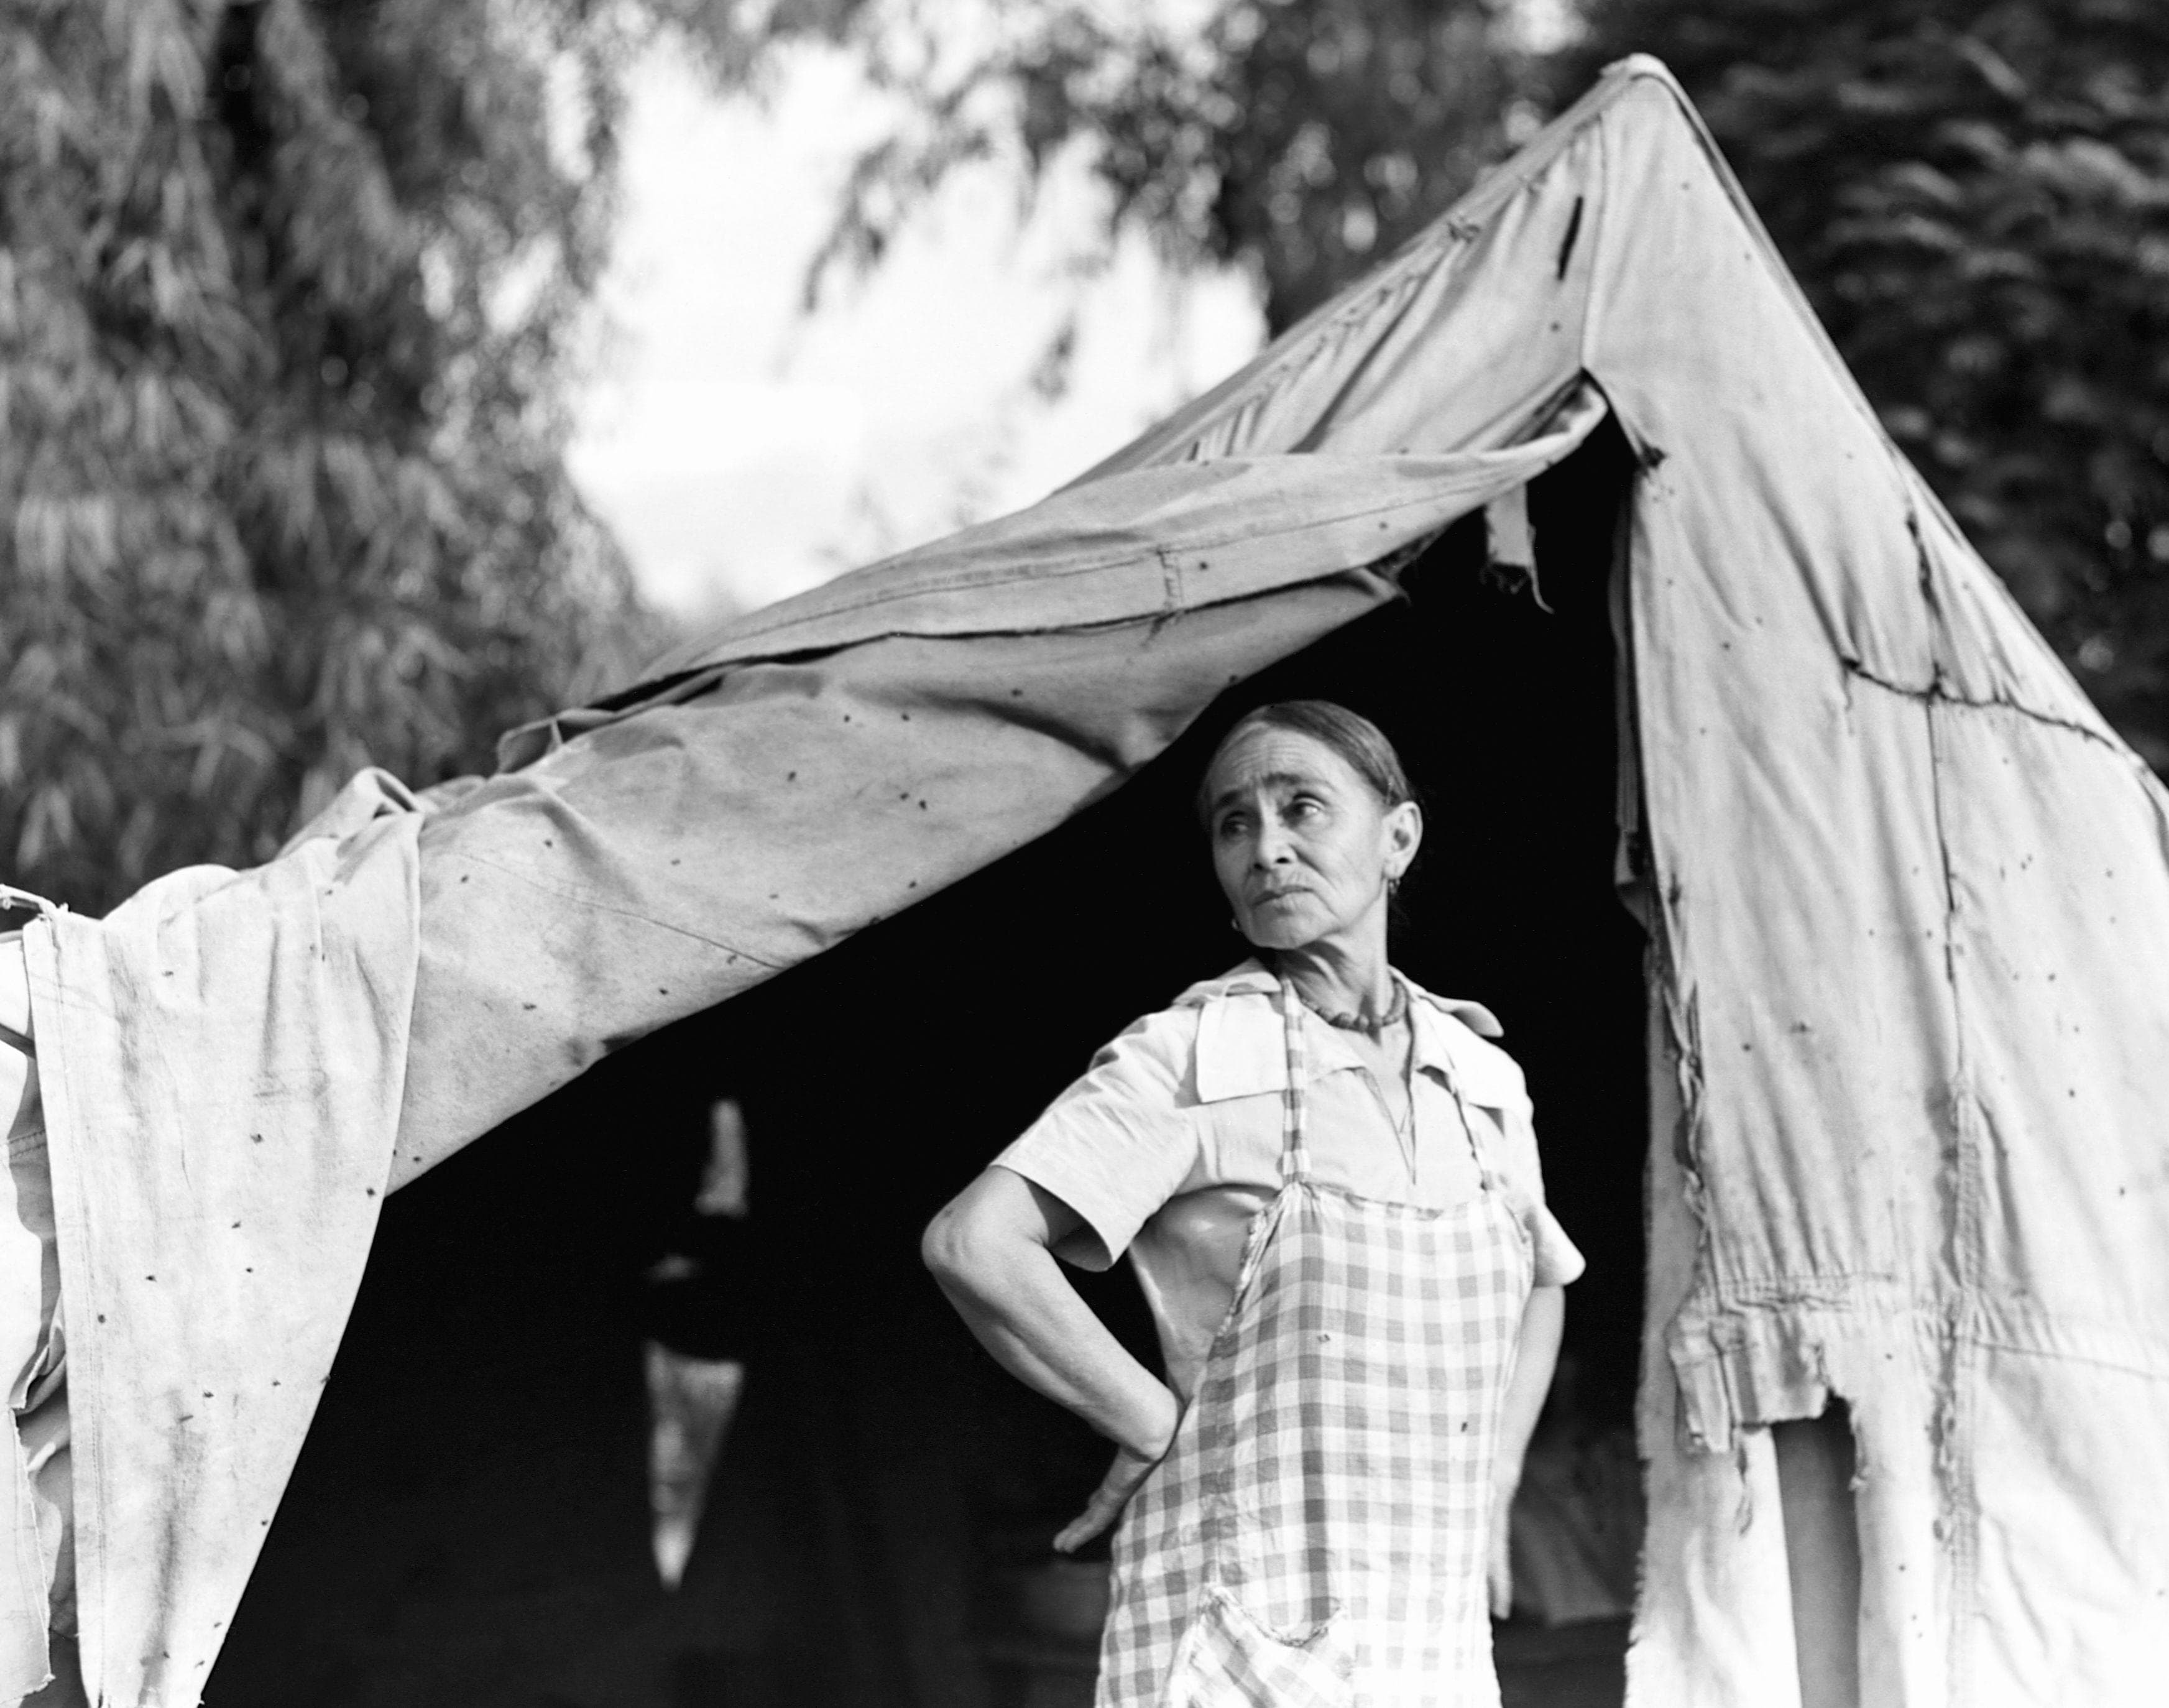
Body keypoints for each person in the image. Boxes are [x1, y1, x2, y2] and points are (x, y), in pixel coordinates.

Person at [923, 699, 1584, 1707]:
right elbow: (977, 1242)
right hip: (1244, 1635)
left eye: (1301, 807)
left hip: (1430, 1642)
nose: (1265, 847)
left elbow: (1542, 1278)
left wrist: (1493, 1482)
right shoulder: (1193, 1059)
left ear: (1397, 839)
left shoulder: (1479, 1076)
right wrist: (1148, 1419)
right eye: (1234, 824)